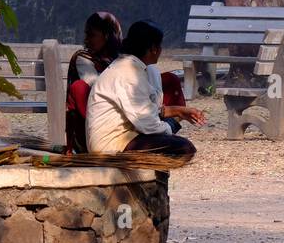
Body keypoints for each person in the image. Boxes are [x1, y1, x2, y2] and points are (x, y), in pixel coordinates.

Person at [86, 20, 206, 157]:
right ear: (154, 49)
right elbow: (147, 124)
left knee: (178, 144)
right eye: (160, 46)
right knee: (184, 148)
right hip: (111, 145)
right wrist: (170, 127)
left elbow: (146, 109)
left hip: (125, 137)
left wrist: (179, 112)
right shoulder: (127, 74)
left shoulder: (133, 68)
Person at [65, 11, 123, 154]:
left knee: (169, 81)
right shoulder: (83, 58)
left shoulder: (123, 59)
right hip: (94, 129)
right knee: (78, 88)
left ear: (108, 36)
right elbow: (99, 89)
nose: (87, 40)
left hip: (123, 121)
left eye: (91, 35)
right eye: (86, 34)